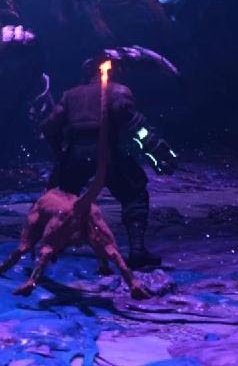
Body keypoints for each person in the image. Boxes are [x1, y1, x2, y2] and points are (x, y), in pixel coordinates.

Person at [40, 60, 162, 269]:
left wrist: (60, 153)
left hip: (76, 154)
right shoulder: (118, 91)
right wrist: (156, 148)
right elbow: (134, 124)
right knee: (134, 195)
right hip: (109, 152)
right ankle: (137, 250)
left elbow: (49, 126)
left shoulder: (71, 95)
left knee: (62, 198)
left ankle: (50, 246)